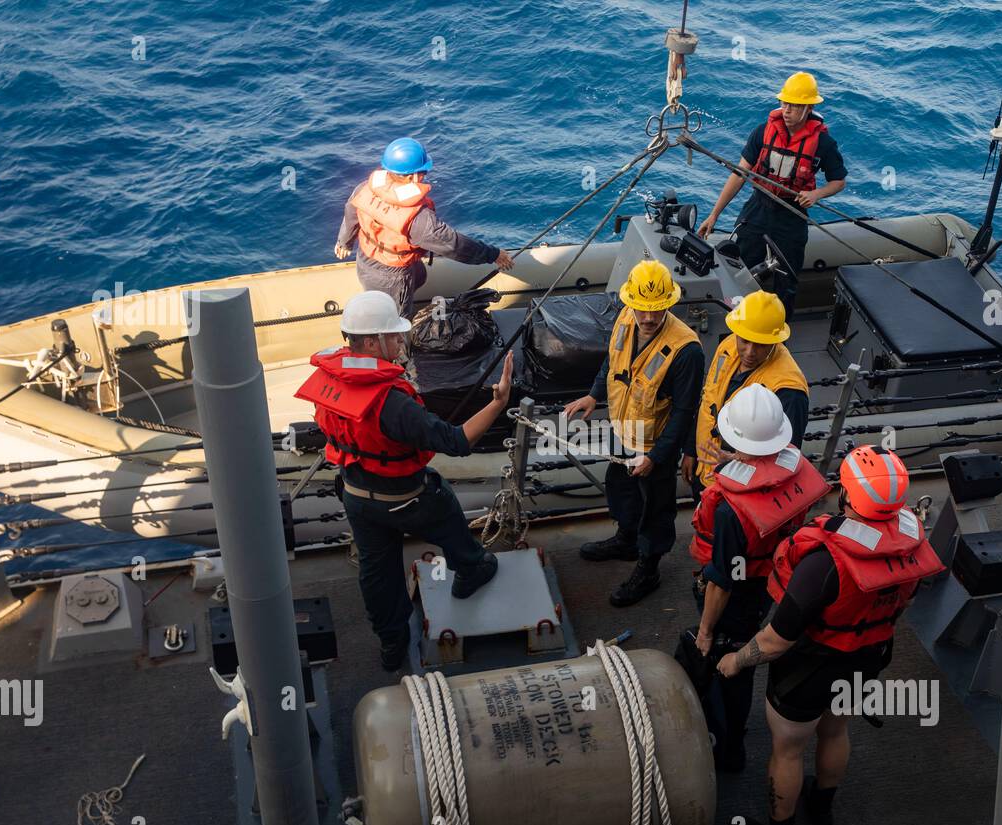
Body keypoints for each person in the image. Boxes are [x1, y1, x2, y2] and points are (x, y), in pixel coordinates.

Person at [716, 445, 944, 825]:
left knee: (787, 751)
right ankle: (821, 810)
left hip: (809, 670)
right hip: (867, 657)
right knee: (836, 731)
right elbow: (906, 599)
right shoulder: (912, 540)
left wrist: (735, 661)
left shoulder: (823, 563)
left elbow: (775, 641)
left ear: (846, 493)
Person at [295, 290, 514, 671]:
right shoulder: (393, 403)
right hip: (406, 496)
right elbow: (457, 441)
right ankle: (472, 569)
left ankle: (392, 645)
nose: (401, 340)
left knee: (377, 573)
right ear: (371, 341)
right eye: (394, 335)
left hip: (356, 497)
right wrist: (497, 402)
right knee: (444, 506)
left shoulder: (329, 376)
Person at [687, 384, 829, 771]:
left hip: (737, 594)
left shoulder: (731, 510)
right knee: (742, 638)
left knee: (727, 663)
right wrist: (741, 459)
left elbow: (721, 581)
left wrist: (704, 631)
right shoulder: (794, 464)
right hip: (770, 580)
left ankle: (729, 747)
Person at [564, 260, 704, 607]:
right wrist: (594, 395)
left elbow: (685, 412)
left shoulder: (687, 350)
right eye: (642, 309)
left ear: (670, 304)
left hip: (656, 442)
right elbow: (612, 363)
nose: (649, 318)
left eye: (657, 310)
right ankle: (626, 540)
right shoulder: (625, 318)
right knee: (620, 486)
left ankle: (649, 566)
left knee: (656, 508)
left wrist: (657, 458)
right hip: (624, 427)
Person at [696, 72, 847, 313]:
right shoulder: (763, 132)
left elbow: (838, 181)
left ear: (808, 107)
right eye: (784, 103)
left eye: (794, 105)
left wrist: (816, 194)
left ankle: (777, 338)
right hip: (759, 207)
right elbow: (739, 174)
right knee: (740, 268)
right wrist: (714, 215)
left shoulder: (823, 144)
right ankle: (737, 321)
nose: (786, 110)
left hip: (792, 214)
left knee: (786, 281)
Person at [334, 137, 515, 316]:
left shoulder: (364, 187)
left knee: (419, 276)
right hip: (392, 278)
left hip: (365, 260)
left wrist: (344, 242)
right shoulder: (419, 220)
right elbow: (455, 245)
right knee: (396, 322)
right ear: (414, 176)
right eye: (423, 172)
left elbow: (351, 210)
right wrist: (494, 254)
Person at [684, 289, 810, 498]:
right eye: (745, 341)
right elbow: (708, 399)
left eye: (760, 345)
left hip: (742, 490)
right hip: (706, 473)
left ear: (775, 341)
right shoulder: (728, 346)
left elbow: (785, 459)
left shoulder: (788, 389)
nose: (750, 352)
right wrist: (691, 450)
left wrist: (735, 459)